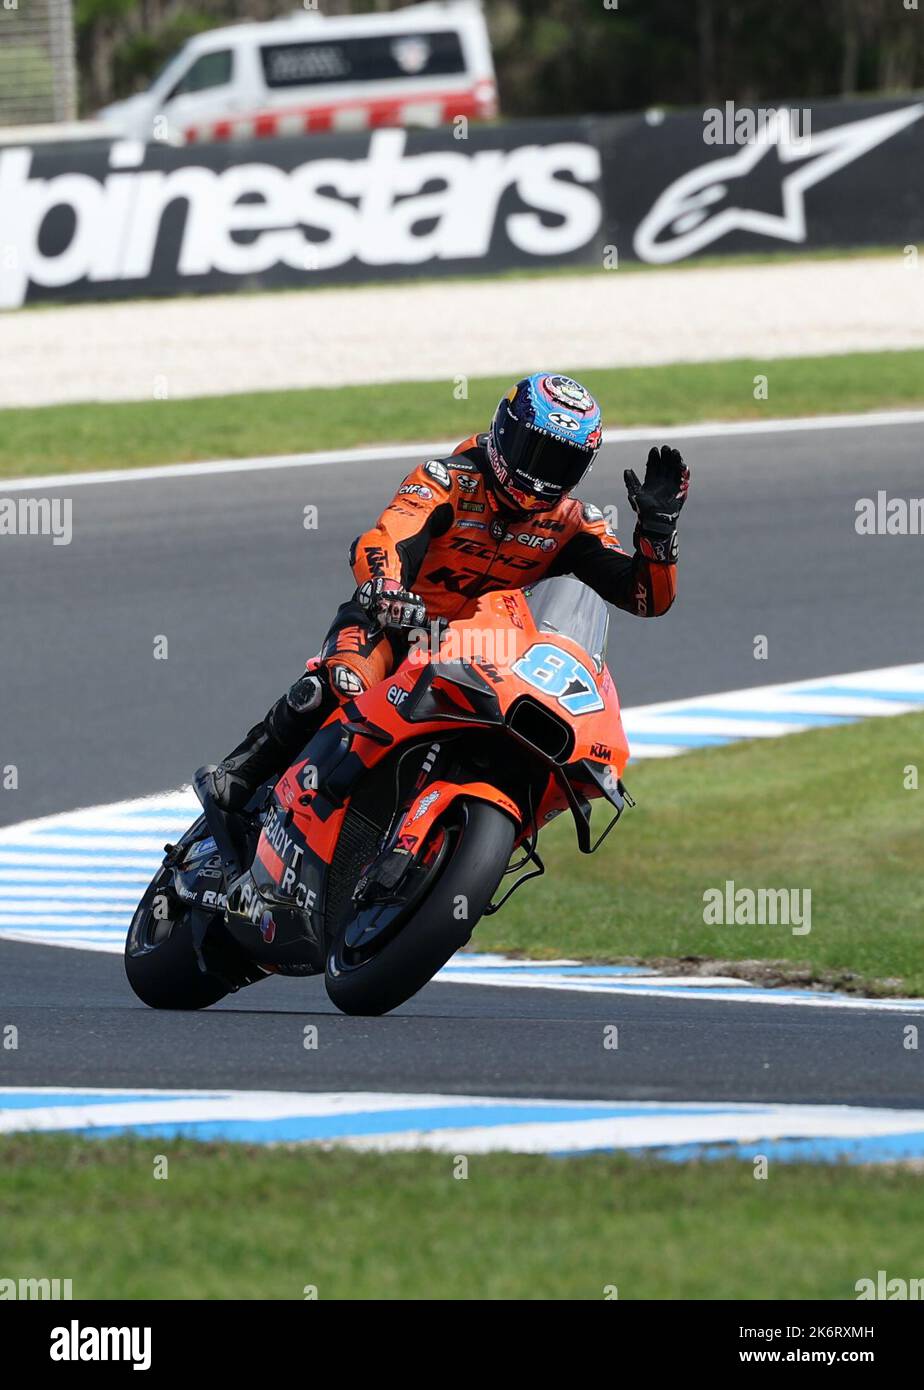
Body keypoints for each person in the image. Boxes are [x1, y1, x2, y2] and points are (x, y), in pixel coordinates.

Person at [206, 371, 690, 811]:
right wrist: (385, 588)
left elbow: (645, 599)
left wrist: (658, 535)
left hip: (484, 657)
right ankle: (239, 776)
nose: (542, 472)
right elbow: (385, 538)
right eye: (534, 450)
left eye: (562, 462)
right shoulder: (447, 480)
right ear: (504, 433)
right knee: (339, 682)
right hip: (396, 627)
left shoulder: (572, 524)